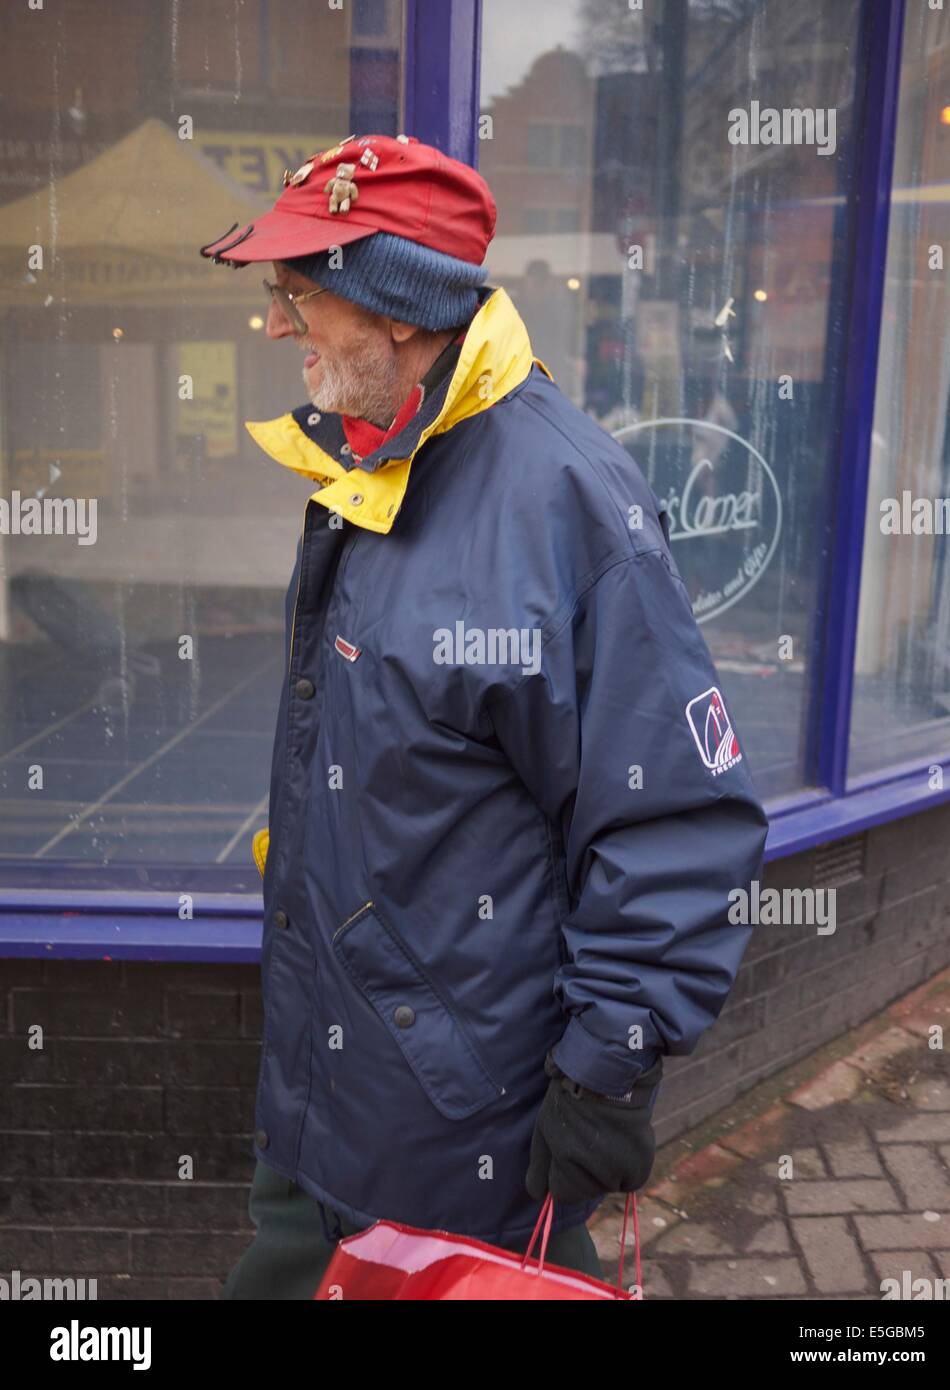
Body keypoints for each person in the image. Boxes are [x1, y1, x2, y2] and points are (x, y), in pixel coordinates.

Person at [200, 133, 768, 1299]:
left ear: (399, 310)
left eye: (298, 292)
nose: (276, 324)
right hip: (322, 1102)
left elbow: (675, 815)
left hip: (463, 1150)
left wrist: (610, 1068)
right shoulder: (378, 456)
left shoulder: (565, 501)